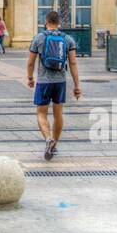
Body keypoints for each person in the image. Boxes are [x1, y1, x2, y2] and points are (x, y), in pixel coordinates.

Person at [26, 10, 81, 161]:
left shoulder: (39, 38)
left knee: (41, 113)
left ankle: (48, 139)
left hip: (44, 81)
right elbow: (73, 63)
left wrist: (30, 78)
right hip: (60, 81)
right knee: (58, 114)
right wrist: (77, 86)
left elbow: (30, 62)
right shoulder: (68, 39)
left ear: (46, 22)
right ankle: (54, 144)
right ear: (59, 23)